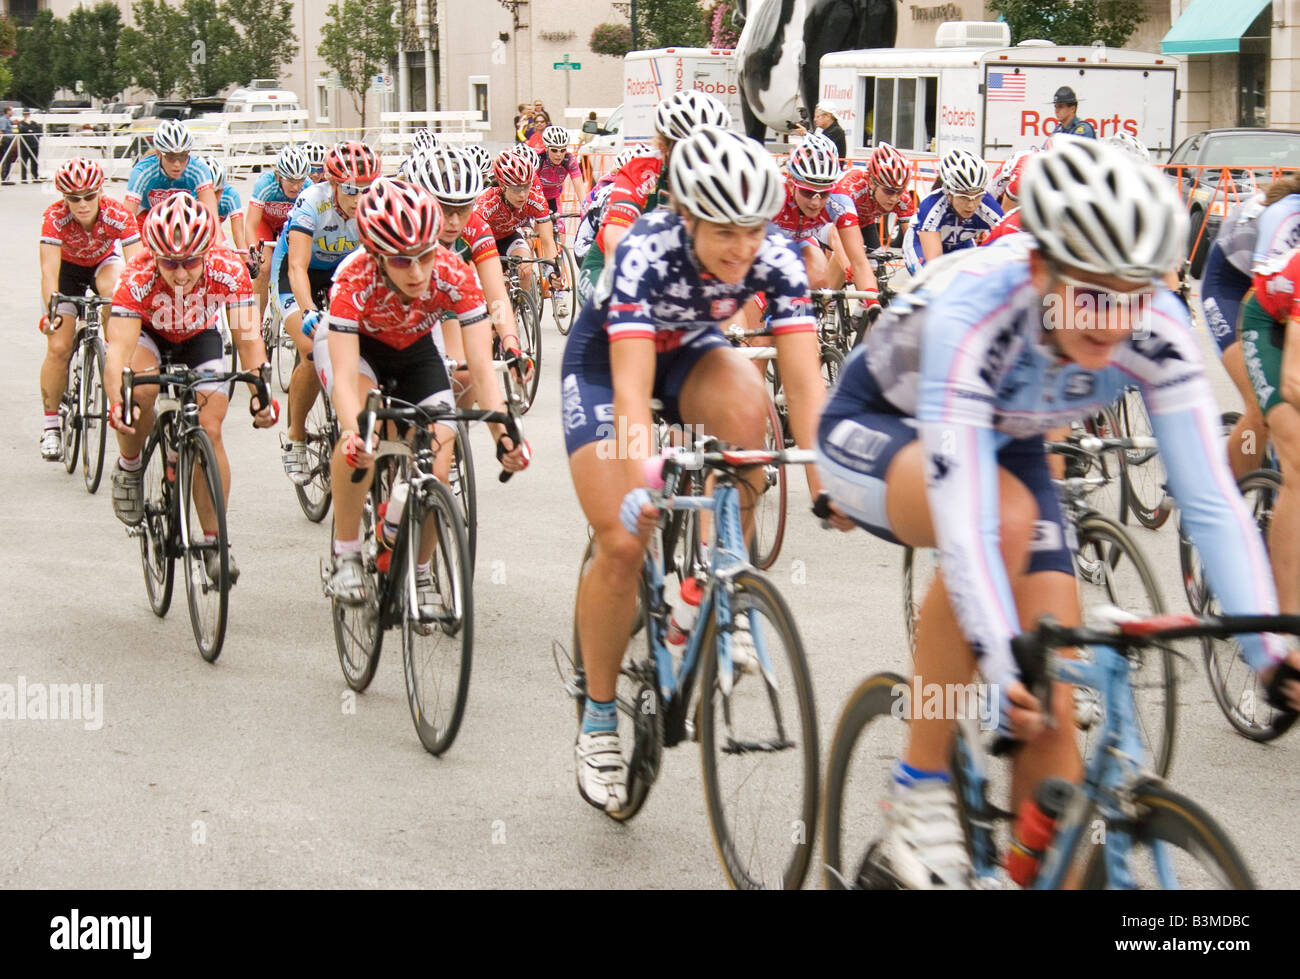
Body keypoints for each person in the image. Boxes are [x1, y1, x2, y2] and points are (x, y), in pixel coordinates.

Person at [815, 137, 1298, 889]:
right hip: (880, 423)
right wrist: (996, 652)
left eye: (1134, 292)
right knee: (1002, 534)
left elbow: (1208, 497)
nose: (1115, 319)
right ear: (1040, 269)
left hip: (1005, 448)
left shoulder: (1154, 322)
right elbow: (965, 511)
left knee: (1052, 704)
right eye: (1093, 291)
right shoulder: (981, 311)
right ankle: (918, 786)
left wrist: (1269, 648)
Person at [563, 126, 851, 813]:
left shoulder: (775, 254)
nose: (743, 247)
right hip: (609, 364)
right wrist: (643, 476)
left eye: (754, 228)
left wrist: (824, 483)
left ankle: (719, 570)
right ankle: (599, 717)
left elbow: (805, 383)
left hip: (690, 349)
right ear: (686, 216)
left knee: (753, 406)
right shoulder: (644, 252)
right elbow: (633, 390)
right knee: (624, 541)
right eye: (724, 229)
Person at [319, 178, 530, 603]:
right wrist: (354, 432)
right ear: (377, 256)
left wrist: (503, 433)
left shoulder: (454, 273)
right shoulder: (352, 278)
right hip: (360, 350)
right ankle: (346, 554)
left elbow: (483, 372)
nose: (417, 272)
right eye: (401, 261)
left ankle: (420, 570)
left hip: (415, 349)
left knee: (438, 459)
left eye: (425, 255)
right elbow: (343, 378)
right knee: (360, 434)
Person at [104, 193, 277, 584]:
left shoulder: (228, 269)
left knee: (210, 429)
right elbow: (118, 353)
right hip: (150, 336)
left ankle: (216, 543)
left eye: (190, 262)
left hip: (200, 337)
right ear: (153, 255)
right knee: (141, 394)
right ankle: (130, 467)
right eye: (170, 263)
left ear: (207, 252)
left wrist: (260, 391)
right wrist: (118, 401)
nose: (180, 274)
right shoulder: (137, 275)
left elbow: (248, 339)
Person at [277, 141, 381, 488]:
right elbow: (296, 267)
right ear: (334, 184)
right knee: (310, 349)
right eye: (351, 189)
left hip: (346, 274)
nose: (358, 198)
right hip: (302, 274)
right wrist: (307, 310)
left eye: (366, 189)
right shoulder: (312, 202)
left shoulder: (375, 204)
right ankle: (296, 437)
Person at [576, 90, 732, 305]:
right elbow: (616, 239)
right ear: (663, 145)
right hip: (608, 265)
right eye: (686, 149)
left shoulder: (726, 176)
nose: (698, 159)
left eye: (708, 149)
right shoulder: (643, 171)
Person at [406, 144, 532, 399]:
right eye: (444, 209)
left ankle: (452, 436)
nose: (454, 221)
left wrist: (511, 344)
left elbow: (496, 292)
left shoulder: (476, 226)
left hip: (443, 300)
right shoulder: (405, 225)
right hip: (398, 306)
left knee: (465, 377)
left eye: (463, 208)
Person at [37, 158, 142, 460]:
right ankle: (51, 426)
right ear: (64, 199)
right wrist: (52, 311)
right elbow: (49, 273)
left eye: (89, 196)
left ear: (100, 193)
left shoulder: (117, 214)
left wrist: (132, 314)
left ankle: (111, 347)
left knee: (116, 290)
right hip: (67, 271)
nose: (82, 204)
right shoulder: (54, 218)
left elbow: (135, 267)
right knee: (58, 346)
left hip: (102, 264)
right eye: (73, 198)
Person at [472, 146, 562, 310]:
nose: (522, 195)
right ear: (503, 186)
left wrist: (552, 271)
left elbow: (548, 242)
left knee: (525, 270)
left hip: (509, 236)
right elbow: (471, 241)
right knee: (492, 283)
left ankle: (522, 310)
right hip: (486, 240)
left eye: (526, 187)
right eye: (516, 189)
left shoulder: (536, 200)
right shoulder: (486, 204)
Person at [901, 147, 1001, 273]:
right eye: (963, 197)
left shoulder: (988, 206)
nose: (971, 205)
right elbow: (934, 263)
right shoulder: (931, 205)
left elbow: (1009, 248)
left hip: (960, 243)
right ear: (948, 193)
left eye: (977, 196)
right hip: (920, 242)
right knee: (933, 280)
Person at [246, 144, 312, 317]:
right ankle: (256, 324)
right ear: (279, 176)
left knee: (300, 267)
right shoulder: (265, 184)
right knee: (264, 269)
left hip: (291, 228)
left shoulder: (309, 187)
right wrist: (254, 252)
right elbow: (251, 224)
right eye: (291, 181)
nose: (296, 187)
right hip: (266, 226)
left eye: (300, 181)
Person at [124, 120, 219, 220]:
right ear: (158, 154)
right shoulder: (142, 171)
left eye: (183, 156)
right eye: (170, 157)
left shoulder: (199, 169)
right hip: (148, 215)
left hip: (184, 215)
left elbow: (212, 216)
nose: (177, 164)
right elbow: (127, 218)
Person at [836, 142, 916, 258]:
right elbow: (834, 234)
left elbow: (911, 240)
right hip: (833, 222)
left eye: (899, 191)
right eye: (888, 191)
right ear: (872, 183)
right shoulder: (853, 188)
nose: (894, 198)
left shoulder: (903, 199)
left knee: (877, 262)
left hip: (865, 222)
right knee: (842, 262)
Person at [17, 108, 41, 184]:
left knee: (34, 161)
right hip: (24, 145)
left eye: (27, 114)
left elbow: (39, 131)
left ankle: (35, 177)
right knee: (24, 161)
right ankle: (24, 178)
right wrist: (30, 130)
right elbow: (21, 130)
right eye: (25, 114)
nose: (26, 115)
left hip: (34, 144)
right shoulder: (21, 123)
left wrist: (31, 130)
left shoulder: (34, 123)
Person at [0, 106, 16, 184]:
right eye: (11, 111)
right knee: (6, 159)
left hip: (9, 140)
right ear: (7, 111)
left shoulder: (8, 120)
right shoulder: (4, 120)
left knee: (9, 159)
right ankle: (4, 178)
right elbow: (2, 131)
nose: (12, 112)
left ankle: (7, 177)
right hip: (6, 141)